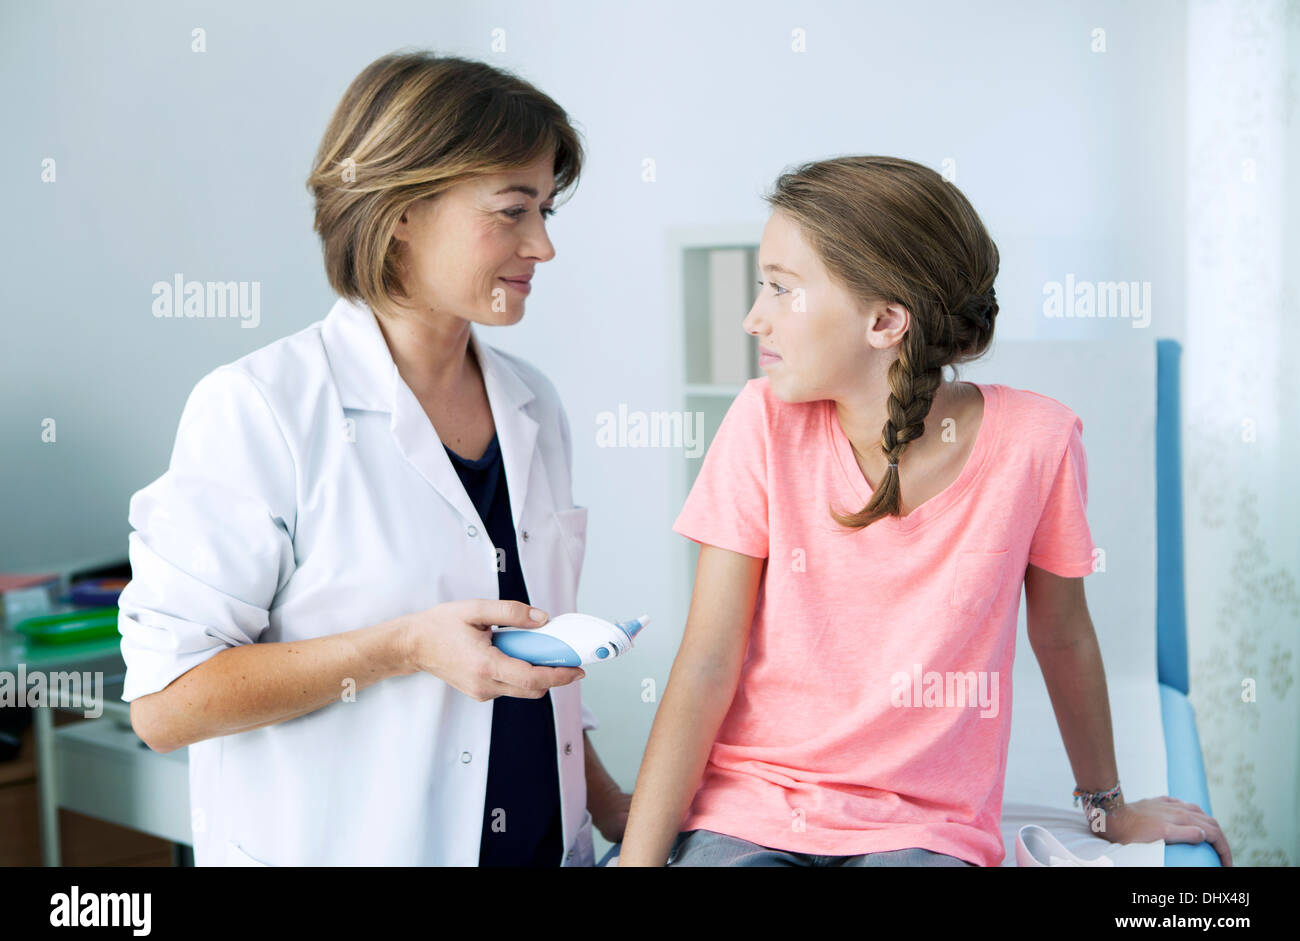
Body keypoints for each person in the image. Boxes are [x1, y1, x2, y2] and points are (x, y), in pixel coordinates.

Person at [614, 156, 1232, 867]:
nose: (757, 318)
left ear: (883, 321)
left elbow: (1063, 637)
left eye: (782, 290)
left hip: (924, 832)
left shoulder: (1039, 441)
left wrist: (1108, 811)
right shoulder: (761, 422)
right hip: (752, 813)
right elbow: (705, 665)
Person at [117, 51, 630, 866]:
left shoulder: (533, 404)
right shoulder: (261, 409)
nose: (542, 245)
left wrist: (620, 815)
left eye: (547, 211)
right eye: (512, 209)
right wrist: (398, 649)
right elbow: (167, 706)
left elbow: (528, 669)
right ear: (400, 210)